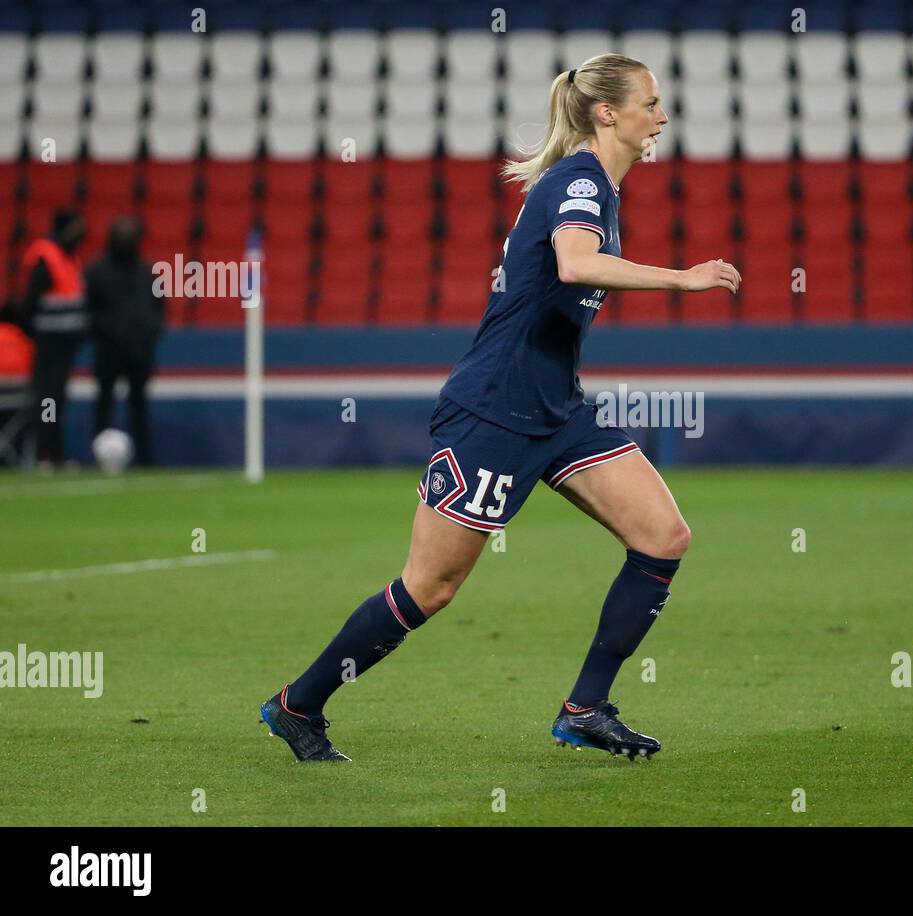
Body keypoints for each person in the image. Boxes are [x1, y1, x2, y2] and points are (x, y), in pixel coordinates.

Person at [261, 54, 741, 761]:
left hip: (557, 410)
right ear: (607, 112)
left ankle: (586, 708)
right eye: (651, 102)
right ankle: (297, 705)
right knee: (431, 588)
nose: (661, 117)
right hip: (493, 414)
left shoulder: (598, 188)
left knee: (663, 537)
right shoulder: (577, 181)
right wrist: (685, 278)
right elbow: (575, 264)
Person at [86, 215, 165, 466]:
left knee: (139, 407)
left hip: (139, 351)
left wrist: (146, 337)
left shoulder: (146, 273)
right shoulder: (96, 271)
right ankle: (98, 458)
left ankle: (145, 457)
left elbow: (157, 311)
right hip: (108, 350)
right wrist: (109, 333)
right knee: (104, 405)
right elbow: (89, 311)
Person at [19, 208, 89, 469]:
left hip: (64, 346)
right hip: (48, 345)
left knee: (57, 399)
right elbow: (31, 303)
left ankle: (55, 453)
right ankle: (43, 453)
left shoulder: (69, 257)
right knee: (47, 399)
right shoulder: (46, 257)